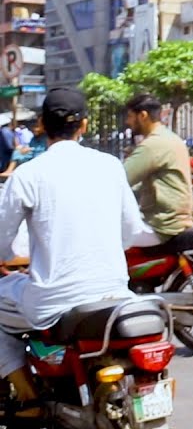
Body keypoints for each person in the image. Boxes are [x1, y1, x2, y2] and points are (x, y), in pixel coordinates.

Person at [0, 88, 151, 417]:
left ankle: (28, 401)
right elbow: (130, 232)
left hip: (55, 302)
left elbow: (2, 242)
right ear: (83, 125)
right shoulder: (110, 166)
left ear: (41, 124)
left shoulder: (28, 174)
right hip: (114, 294)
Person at [122, 94, 193, 247]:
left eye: (130, 116)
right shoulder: (170, 138)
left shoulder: (152, 145)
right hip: (178, 221)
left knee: (108, 243)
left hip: (162, 226)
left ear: (142, 115)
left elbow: (120, 179)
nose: (127, 122)